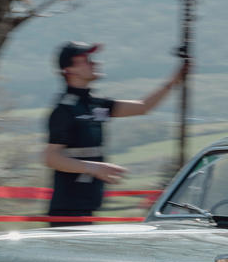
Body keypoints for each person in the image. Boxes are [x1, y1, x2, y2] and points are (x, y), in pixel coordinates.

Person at [43, 41, 188, 226]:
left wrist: (176, 79)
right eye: (85, 59)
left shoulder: (95, 104)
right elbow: (51, 158)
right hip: (66, 213)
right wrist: (95, 168)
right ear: (69, 70)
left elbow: (144, 107)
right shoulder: (64, 109)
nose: (94, 63)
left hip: (88, 208)